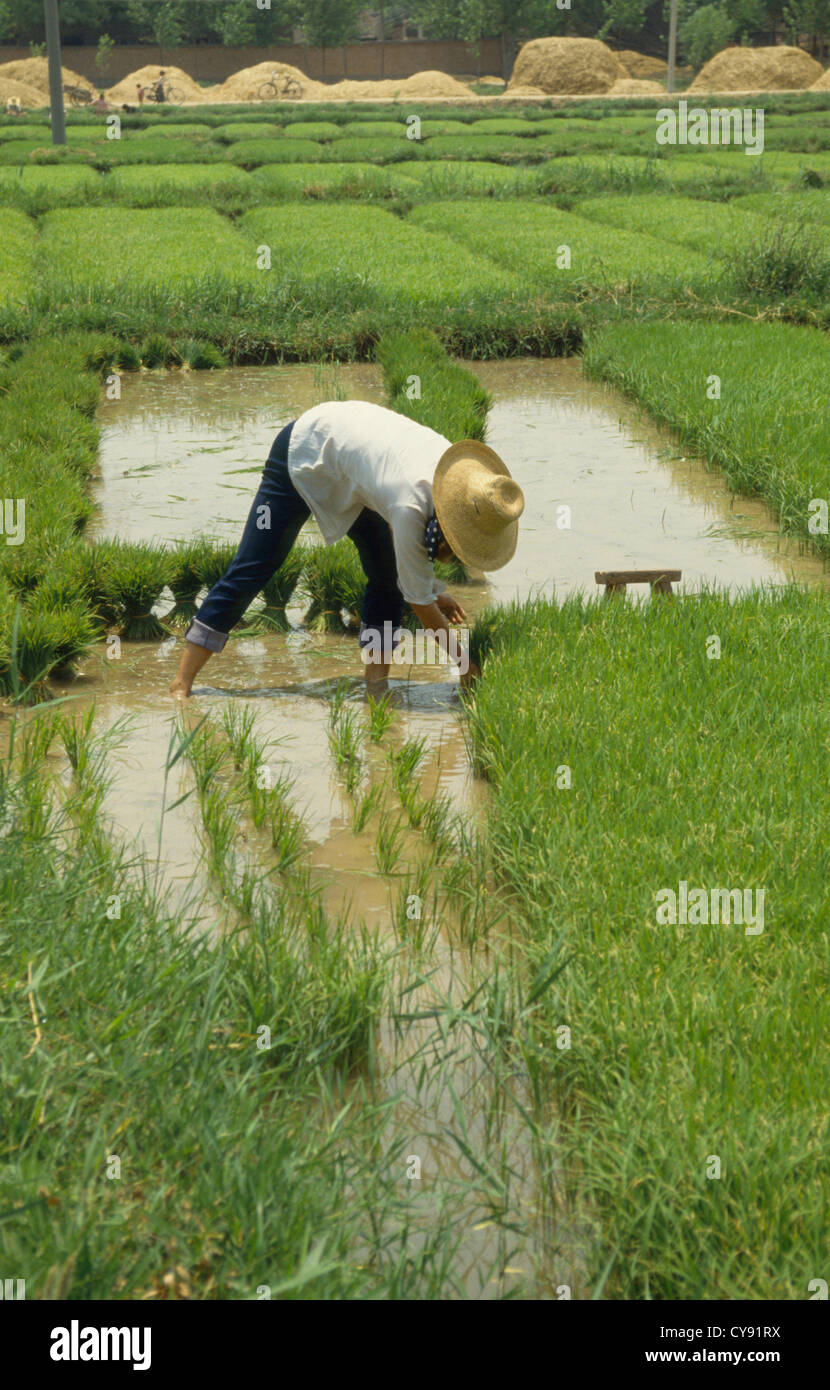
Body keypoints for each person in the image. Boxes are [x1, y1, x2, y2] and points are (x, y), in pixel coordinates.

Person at [169, 400, 524, 700]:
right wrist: (464, 665)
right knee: (256, 566)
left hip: (353, 470)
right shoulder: (410, 502)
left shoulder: (451, 474)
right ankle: (182, 684)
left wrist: (434, 591)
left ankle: (376, 682)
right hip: (305, 452)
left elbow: (410, 574)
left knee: (385, 574)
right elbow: (416, 598)